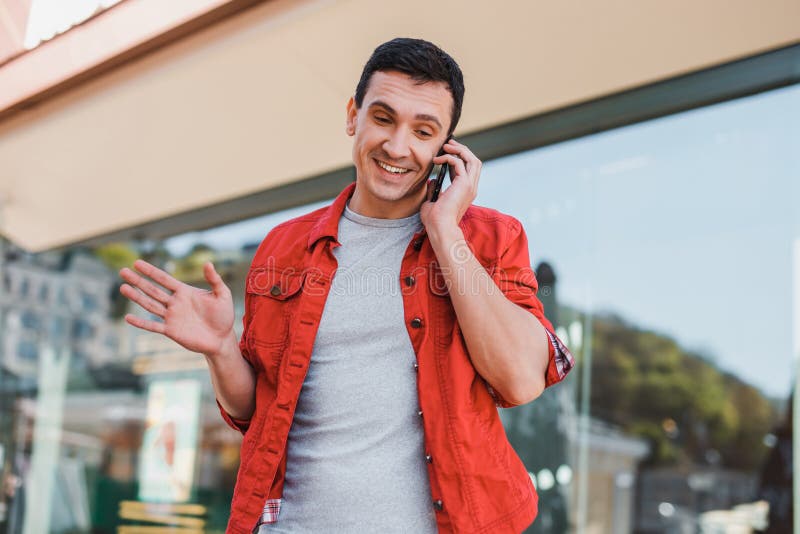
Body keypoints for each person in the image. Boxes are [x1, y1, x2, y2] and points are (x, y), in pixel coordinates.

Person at [119, 37, 574, 534]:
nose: (397, 146)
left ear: (447, 147)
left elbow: (521, 379)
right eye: (383, 118)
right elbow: (256, 412)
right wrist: (221, 349)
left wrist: (446, 232)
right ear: (353, 116)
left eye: (423, 131)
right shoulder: (283, 248)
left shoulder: (489, 239)